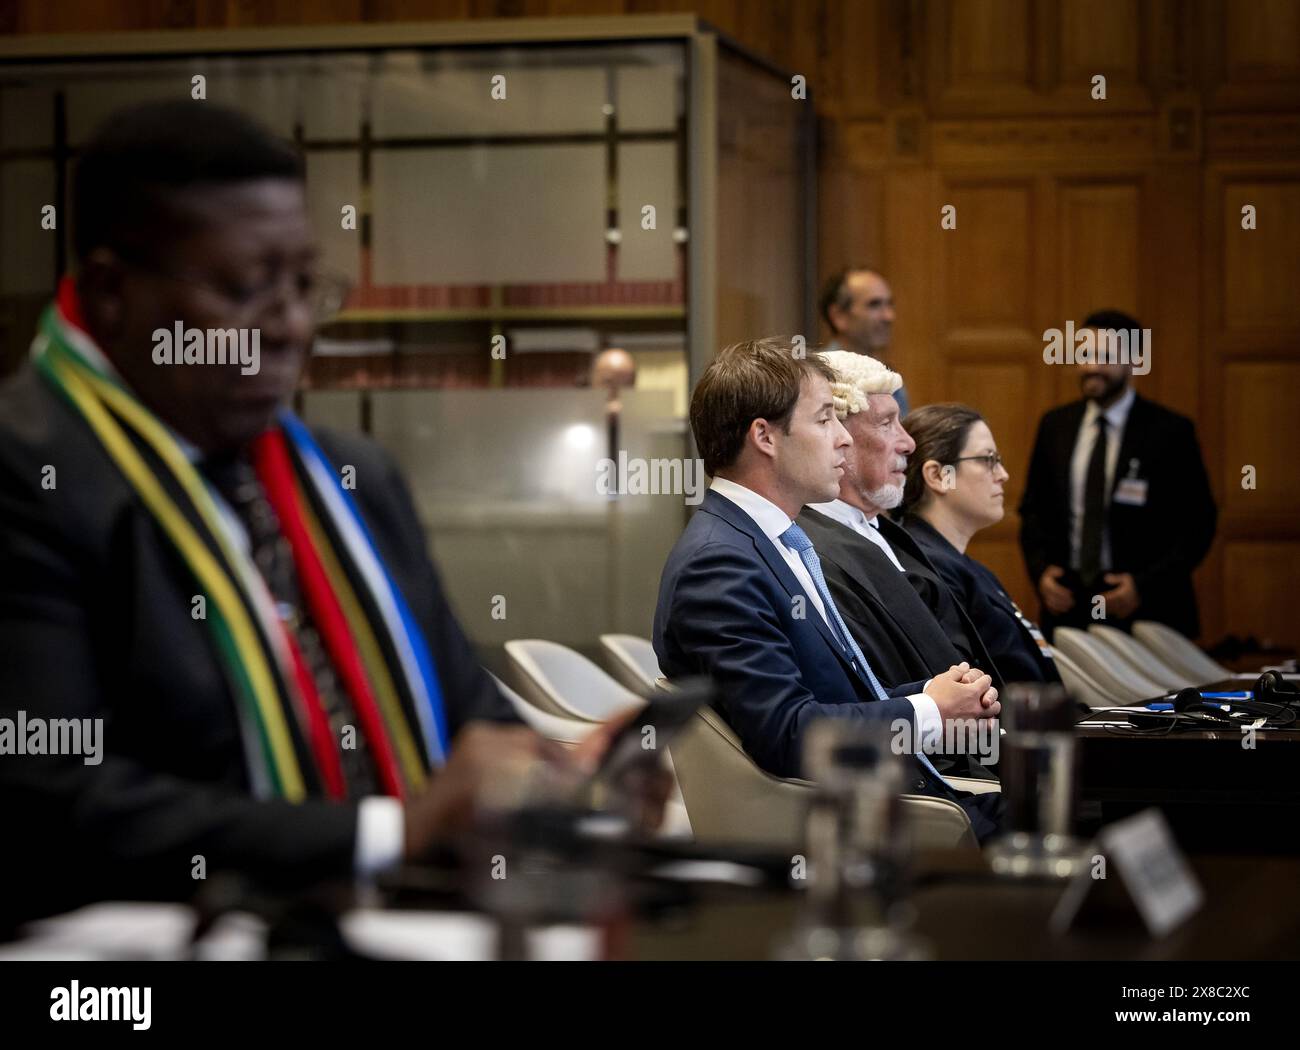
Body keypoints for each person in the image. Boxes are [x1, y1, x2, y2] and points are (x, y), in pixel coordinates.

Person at [0, 102, 644, 926]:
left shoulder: (350, 479)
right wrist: (387, 832)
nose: (292, 326)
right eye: (244, 288)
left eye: (304, 285)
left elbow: (465, 717)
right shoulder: (31, 477)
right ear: (111, 291)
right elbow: (49, 802)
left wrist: (567, 784)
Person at [653, 338, 1002, 841]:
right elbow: (789, 735)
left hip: (907, 801)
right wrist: (930, 712)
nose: (843, 439)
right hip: (866, 830)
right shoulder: (720, 564)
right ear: (765, 437)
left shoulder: (771, 541)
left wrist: (927, 694)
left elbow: (828, 697)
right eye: (824, 420)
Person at [796, 351, 1005, 695]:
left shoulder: (884, 532)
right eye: (886, 423)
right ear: (836, 436)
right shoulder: (812, 552)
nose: (908, 443)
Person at [1018, 309, 1216, 639]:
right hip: (1069, 608)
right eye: (1085, 355)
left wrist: (1144, 586)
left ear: (1135, 360)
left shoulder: (1170, 432)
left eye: (1105, 357)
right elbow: (1032, 510)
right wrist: (1041, 574)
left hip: (1148, 610)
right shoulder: (1055, 425)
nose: (1092, 367)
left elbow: (1199, 523)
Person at [899, 403, 1062, 685]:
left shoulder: (967, 566)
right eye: (988, 460)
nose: (1003, 474)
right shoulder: (927, 568)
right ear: (939, 476)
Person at [819, 267, 908, 416]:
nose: (888, 316)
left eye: (889, 304)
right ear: (839, 316)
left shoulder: (888, 375)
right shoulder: (820, 376)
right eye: (874, 305)